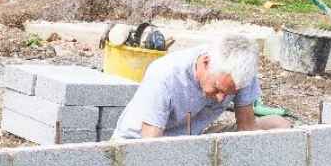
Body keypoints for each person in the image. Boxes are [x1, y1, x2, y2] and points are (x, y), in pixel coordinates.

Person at [112, 35, 292, 139]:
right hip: (138, 143)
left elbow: (247, 129)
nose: (221, 98)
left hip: (191, 139)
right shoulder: (165, 76)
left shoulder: (240, 72)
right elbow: (149, 147)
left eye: (229, 93)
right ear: (206, 62)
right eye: (217, 89)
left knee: (279, 125)